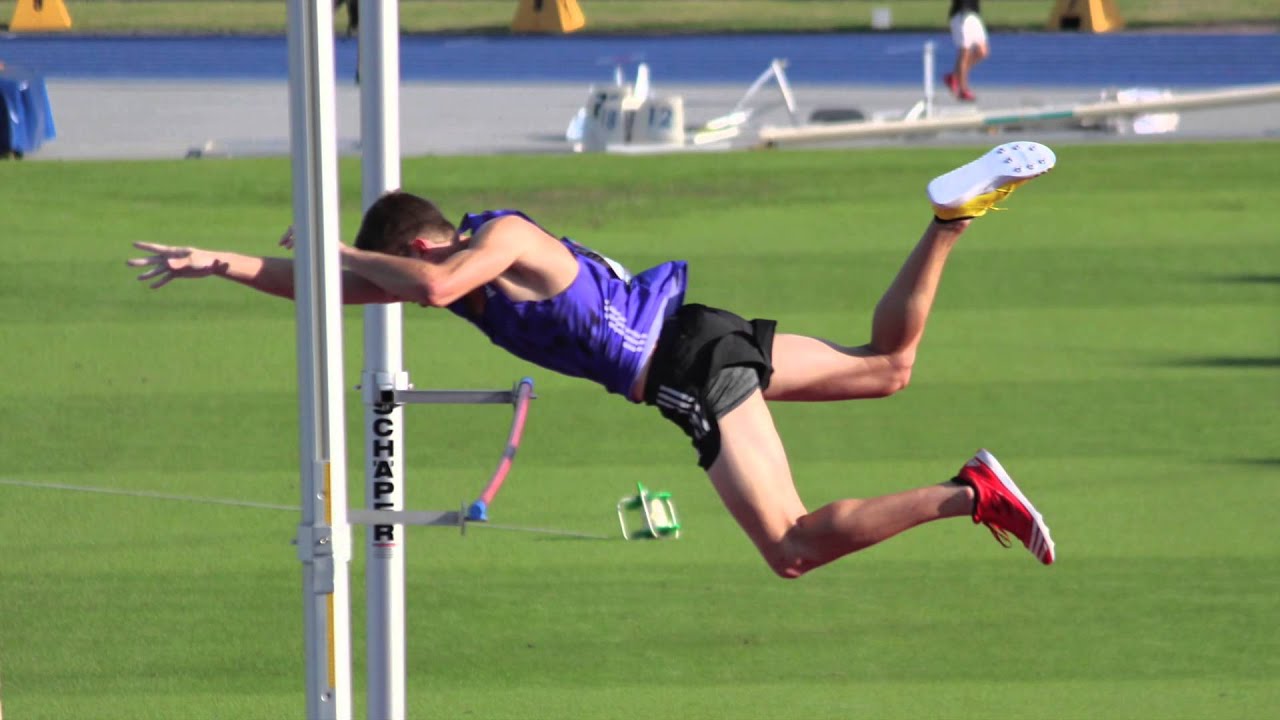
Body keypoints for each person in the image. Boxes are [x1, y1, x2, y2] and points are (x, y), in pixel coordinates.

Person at [127, 142, 1059, 578]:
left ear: (418, 245)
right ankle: (949, 219)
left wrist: (333, 245)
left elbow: (436, 288)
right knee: (888, 365)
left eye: (398, 266)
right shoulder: (455, 271)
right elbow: (326, 289)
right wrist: (222, 262)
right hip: (701, 330)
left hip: (687, 366)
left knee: (792, 548)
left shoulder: (500, 242)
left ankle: (971, 492)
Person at [944, 0, 989, 102]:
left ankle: (954, 76)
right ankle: (963, 90)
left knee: (983, 51)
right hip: (961, 15)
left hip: (973, 14)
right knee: (965, 53)